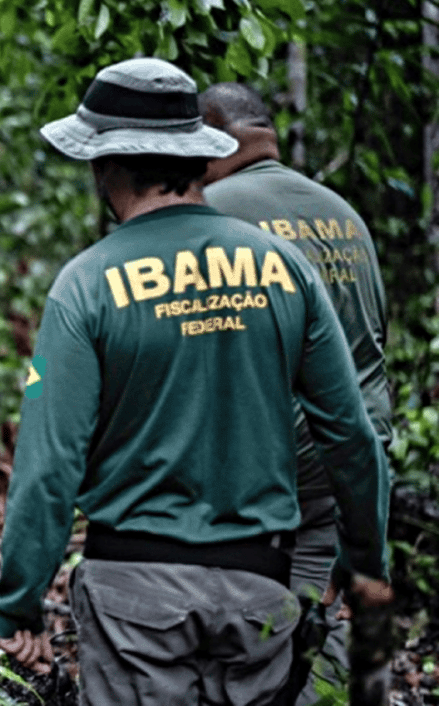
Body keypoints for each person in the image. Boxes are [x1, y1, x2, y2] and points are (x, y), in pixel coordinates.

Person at [0, 57, 392, 706]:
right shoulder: (283, 267)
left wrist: (18, 606)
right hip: (262, 586)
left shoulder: (84, 286)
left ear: (106, 164)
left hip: (132, 600)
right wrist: (366, 559)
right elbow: (350, 433)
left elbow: (49, 467)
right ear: (196, 158)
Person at [198, 82, 393, 705]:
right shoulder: (345, 215)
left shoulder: (211, 215)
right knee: (324, 625)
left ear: (208, 137)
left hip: (265, 470)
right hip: (354, 462)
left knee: (243, 648)